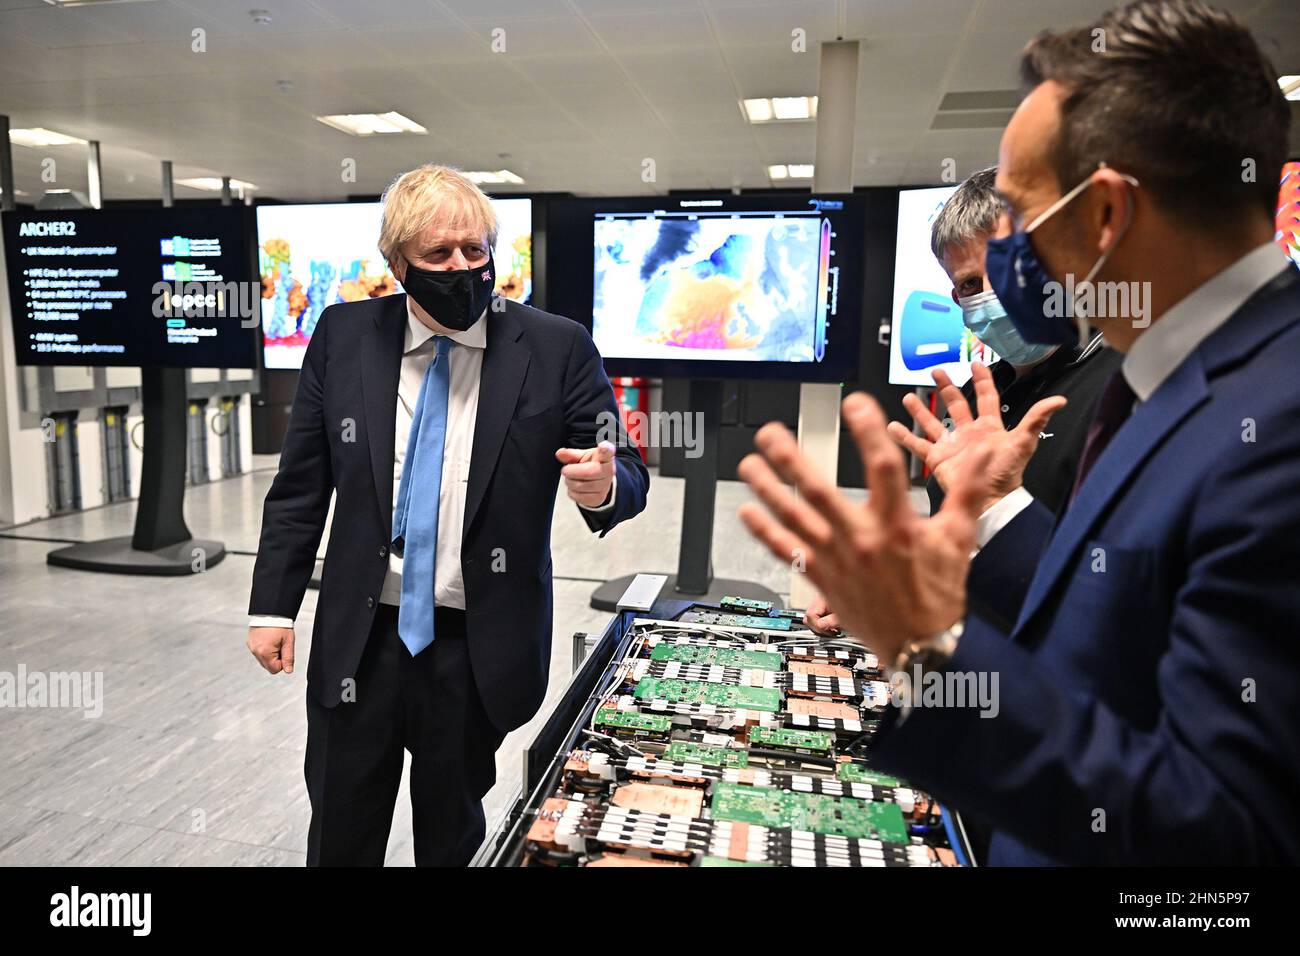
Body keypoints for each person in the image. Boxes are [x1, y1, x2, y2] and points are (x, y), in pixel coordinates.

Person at [741, 0, 1300, 864]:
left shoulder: (1277, 426)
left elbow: (1220, 846)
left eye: (1022, 214)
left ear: (1107, 217)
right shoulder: (1179, 377)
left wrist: (926, 648)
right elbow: (1114, 641)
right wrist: (992, 518)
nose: (1004, 269)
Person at [246, 165, 650, 866]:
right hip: (361, 640)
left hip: (475, 648)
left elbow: (625, 468)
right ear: (398, 264)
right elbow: (301, 486)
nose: (462, 267)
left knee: (452, 835)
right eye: (438, 254)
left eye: (476, 250)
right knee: (341, 830)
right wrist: (272, 608)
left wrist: (601, 485)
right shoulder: (344, 336)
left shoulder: (554, 347)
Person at [805, 168, 1121, 637]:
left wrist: (1001, 507)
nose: (995, 296)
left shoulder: (1125, 391)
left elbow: (1116, 602)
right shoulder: (980, 393)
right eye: (972, 285)